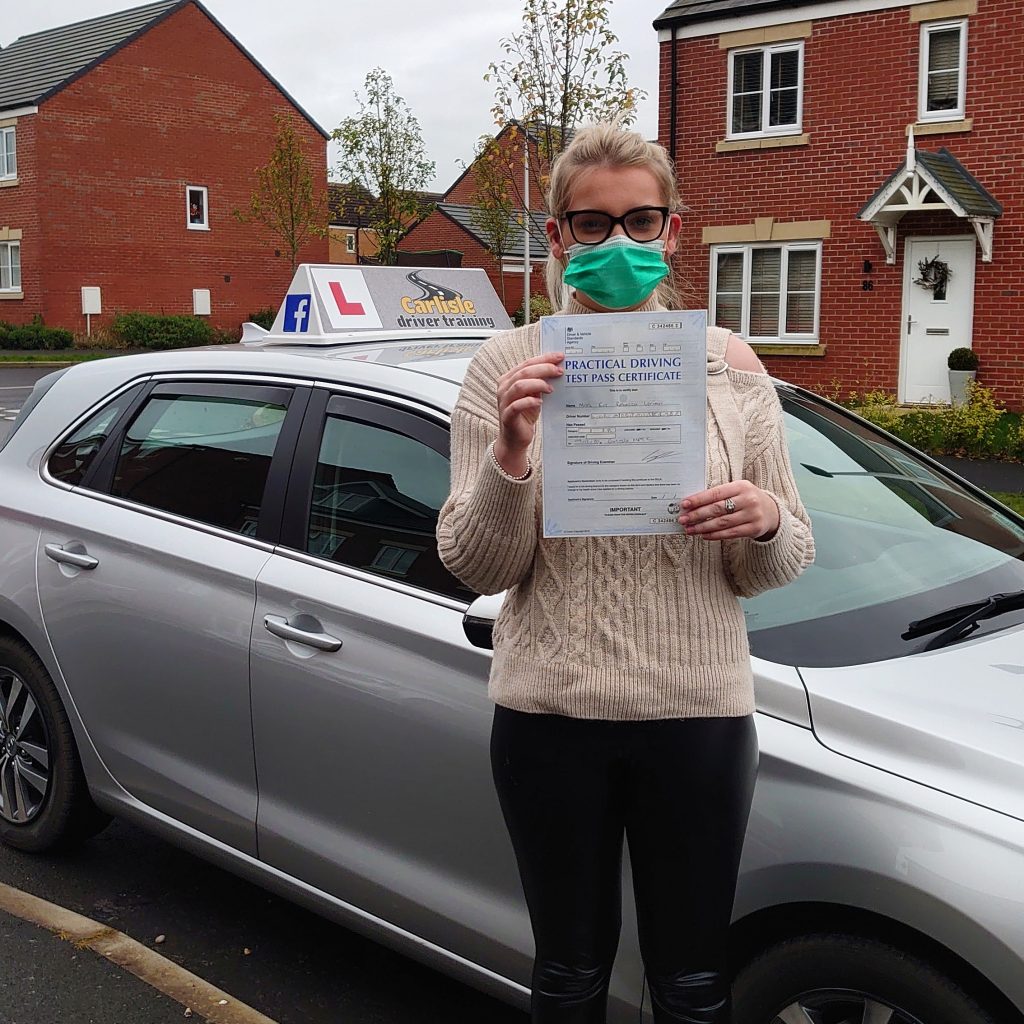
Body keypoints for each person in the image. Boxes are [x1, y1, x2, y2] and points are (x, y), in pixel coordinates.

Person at [437, 122, 813, 1024]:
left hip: (697, 714)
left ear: (672, 232)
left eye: (640, 222)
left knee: (691, 982)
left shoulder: (728, 365)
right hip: (551, 714)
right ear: (558, 236)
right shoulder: (504, 365)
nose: (619, 244)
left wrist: (761, 522)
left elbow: (787, 556)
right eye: (592, 225)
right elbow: (474, 562)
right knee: (568, 974)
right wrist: (514, 455)